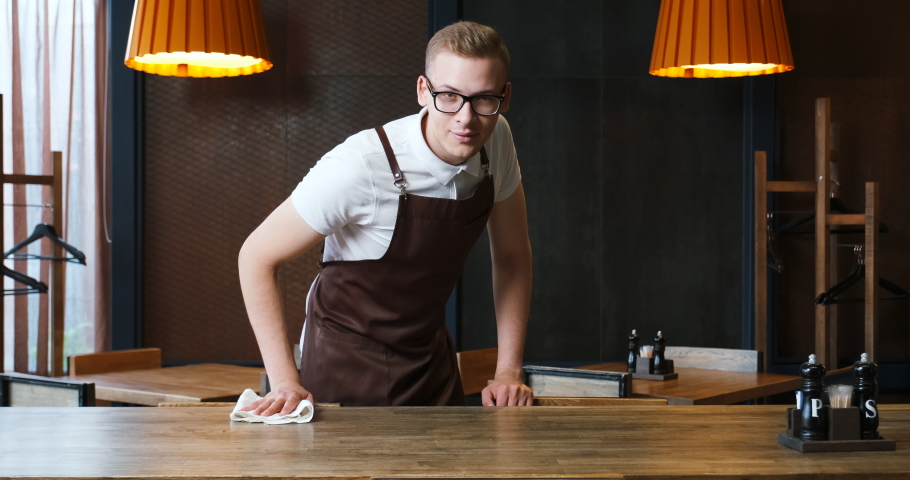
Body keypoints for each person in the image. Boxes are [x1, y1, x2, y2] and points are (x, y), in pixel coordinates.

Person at [238, 21, 533, 412]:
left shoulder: (496, 140)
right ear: (423, 91)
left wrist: (508, 370)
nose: (465, 118)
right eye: (449, 96)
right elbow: (256, 257)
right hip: (345, 363)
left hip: (430, 360)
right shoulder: (359, 165)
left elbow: (512, 257)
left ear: (505, 97)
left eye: (483, 100)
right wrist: (284, 381)